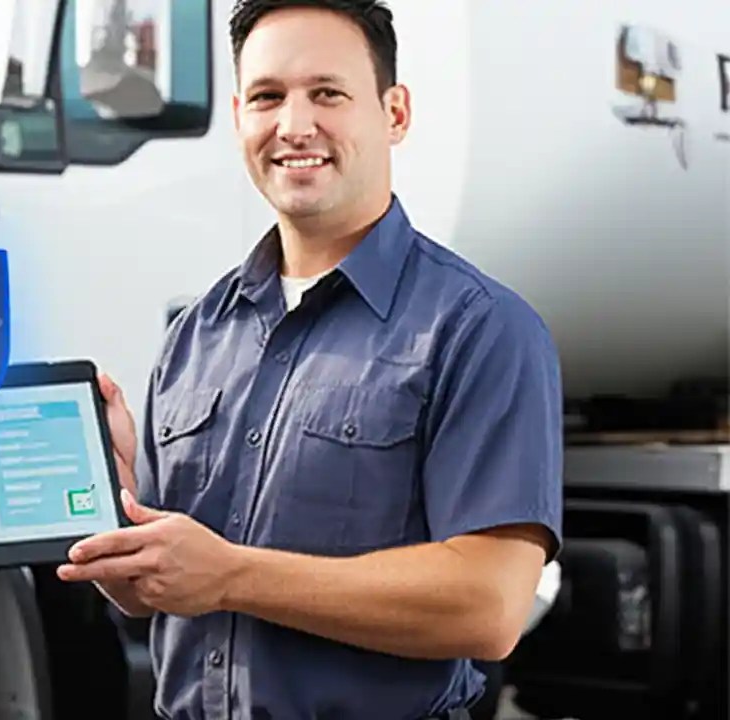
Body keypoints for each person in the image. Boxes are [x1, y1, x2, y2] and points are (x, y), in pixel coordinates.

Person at [55, 1, 564, 719]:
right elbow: (159, 599)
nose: (294, 125)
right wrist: (119, 510)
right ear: (238, 117)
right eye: (267, 97)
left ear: (395, 113)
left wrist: (231, 576)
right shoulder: (198, 334)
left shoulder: (482, 329)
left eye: (327, 93)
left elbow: (489, 607)